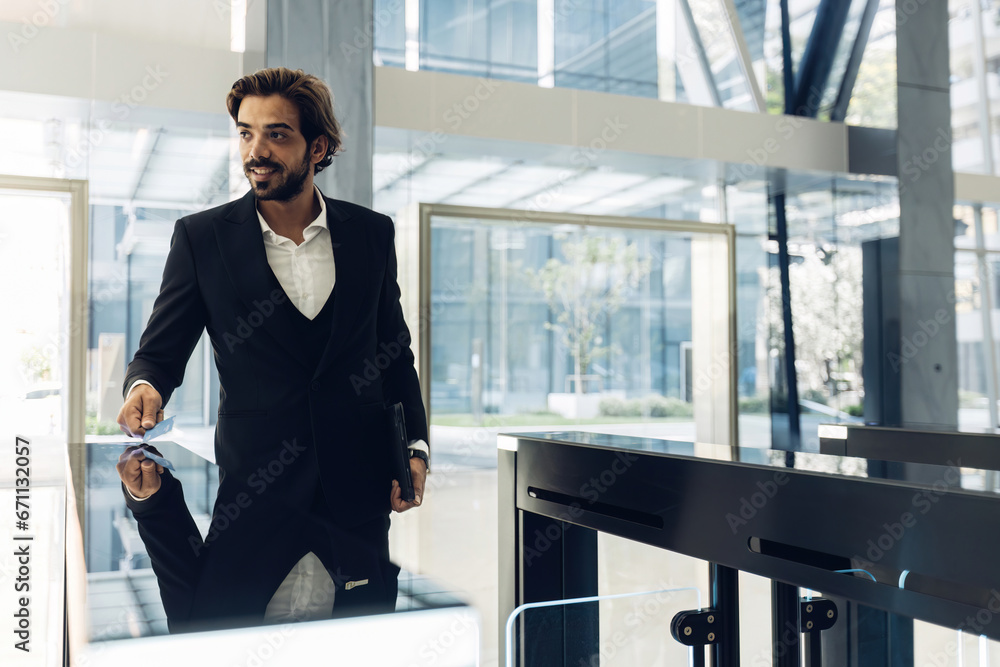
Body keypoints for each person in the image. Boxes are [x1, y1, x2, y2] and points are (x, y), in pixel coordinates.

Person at [115, 67, 429, 632]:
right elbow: (160, 353)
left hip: (356, 511)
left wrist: (417, 448)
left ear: (320, 146)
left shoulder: (372, 235)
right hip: (252, 505)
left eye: (277, 134)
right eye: (245, 133)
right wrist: (145, 388)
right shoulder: (201, 238)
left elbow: (394, 353)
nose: (255, 151)